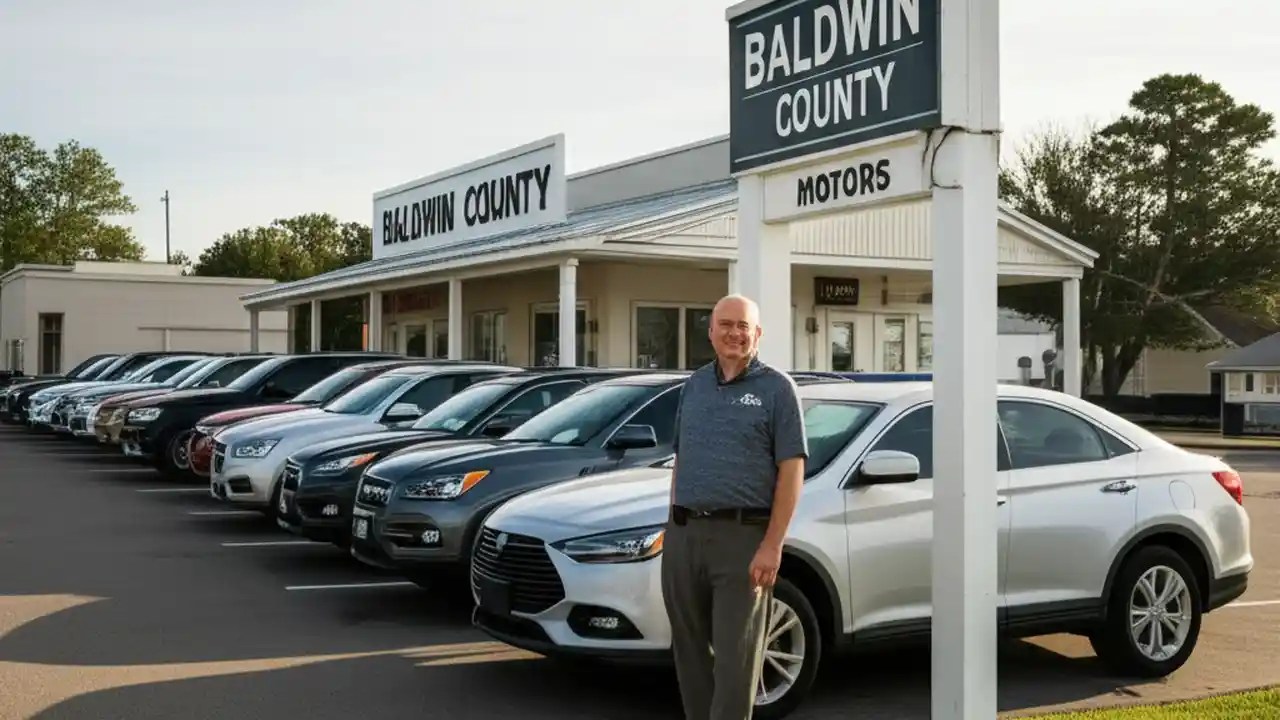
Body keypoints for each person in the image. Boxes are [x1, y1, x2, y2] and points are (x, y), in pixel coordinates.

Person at [661, 293, 809, 719]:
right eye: (726, 324)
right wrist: (672, 523)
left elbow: (791, 469)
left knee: (735, 660)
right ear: (710, 332)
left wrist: (772, 544)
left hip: (743, 541)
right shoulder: (695, 385)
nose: (734, 333)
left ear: (757, 334)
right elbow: (682, 459)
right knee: (688, 653)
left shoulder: (778, 389)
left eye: (744, 326)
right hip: (685, 537)